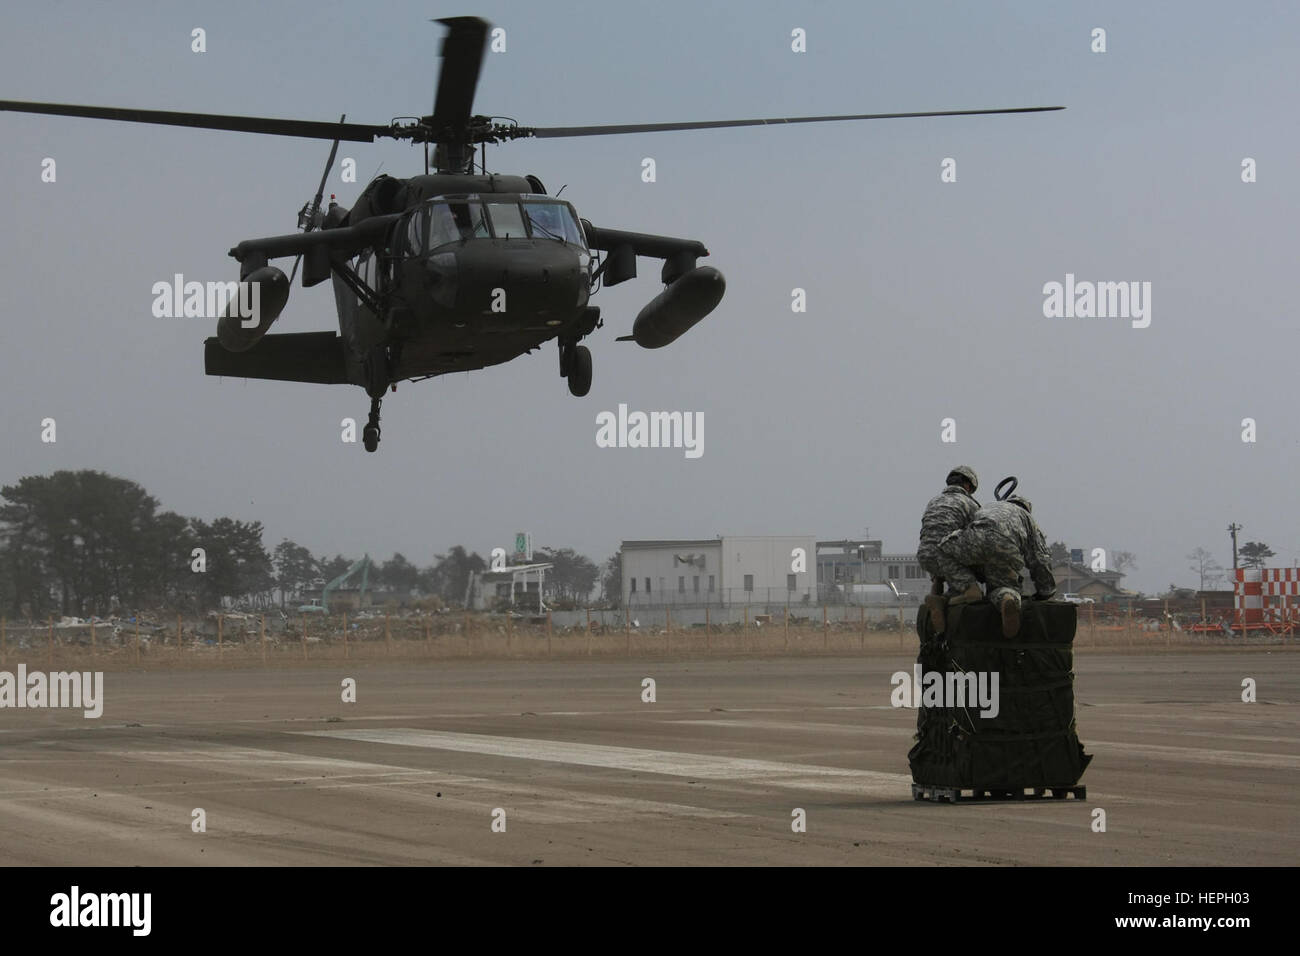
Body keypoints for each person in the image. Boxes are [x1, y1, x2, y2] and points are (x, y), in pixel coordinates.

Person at [939, 495, 1056, 638]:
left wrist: (971, 572)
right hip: (1006, 548)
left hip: (976, 539)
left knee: (943, 549)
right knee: (1002, 588)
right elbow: (1040, 558)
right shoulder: (1027, 519)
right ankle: (1007, 598)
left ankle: (969, 587)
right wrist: (1046, 590)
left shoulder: (989, 506)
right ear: (1027, 509)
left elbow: (967, 526)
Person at [916, 465, 983, 632]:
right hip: (947, 556)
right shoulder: (970, 504)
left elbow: (929, 535)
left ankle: (937, 594)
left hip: (926, 557)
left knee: (946, 569)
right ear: (967, 486)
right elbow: (979, 538)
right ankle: (943, 602)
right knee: (974, 594)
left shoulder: (934, 501)